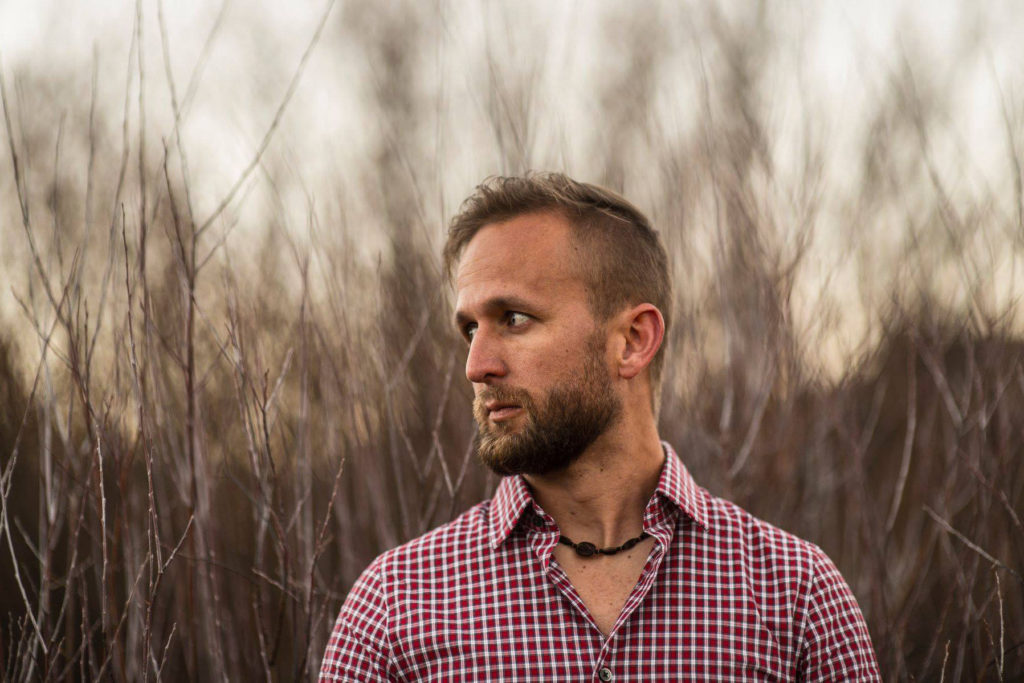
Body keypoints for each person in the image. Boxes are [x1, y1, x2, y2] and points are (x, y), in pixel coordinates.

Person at [320, 173, 881, 681]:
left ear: (633, 341)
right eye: (470, 329)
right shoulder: (396, 605)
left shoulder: (796, 595)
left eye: (514, 319)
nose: (476, 365)